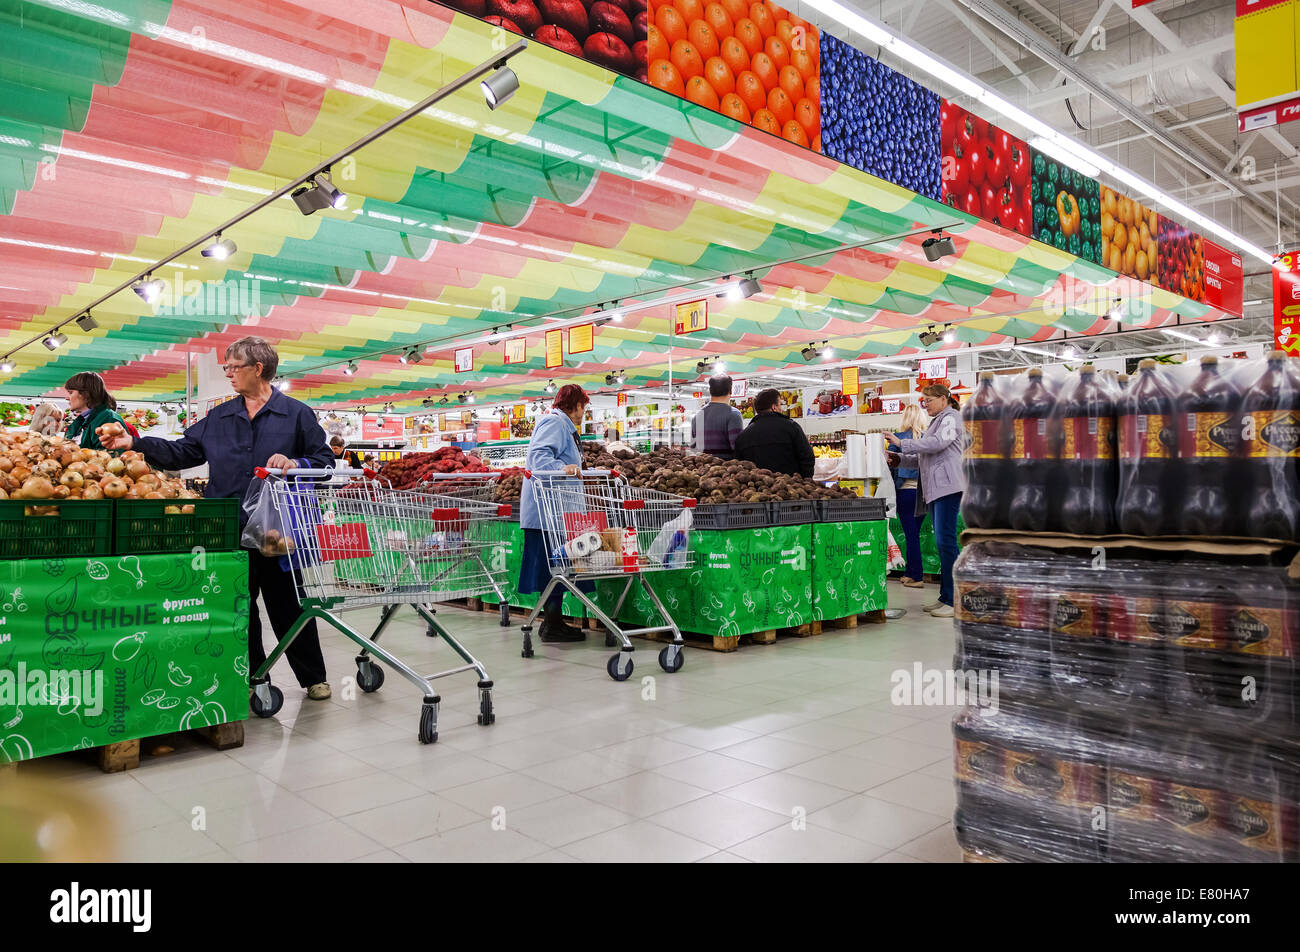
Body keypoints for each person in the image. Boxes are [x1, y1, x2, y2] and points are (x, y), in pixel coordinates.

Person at [100, 336, 337, 701]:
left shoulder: (297, 415)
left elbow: (324, 463)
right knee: (239, 605)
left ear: (257, 369)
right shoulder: (221, 416)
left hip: (277, 529)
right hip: (228, 526)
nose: (227, 373)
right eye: (225, 367)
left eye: (233, 366)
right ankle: (254, 676)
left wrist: (296, 464)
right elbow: (182, 452)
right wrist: (137, 444)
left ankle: (312, 677)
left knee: (288, 604)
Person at [519, 384, 594, 643]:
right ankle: (552, 624)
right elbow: (538, 459)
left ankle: (552, 622)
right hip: (546, 513)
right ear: (573, 404)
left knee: (557, 568)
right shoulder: (555, 423)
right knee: (553, 568)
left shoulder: (564, 427)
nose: (584, 412)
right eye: (583, 405)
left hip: (556, 511)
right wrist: (566, 469)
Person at [884, 383, 966, 618]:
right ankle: (945, 597)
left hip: (947, 487)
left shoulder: (951, 418)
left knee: (946, 542)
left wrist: (902, 443)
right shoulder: (937, 421)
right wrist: (899, 459)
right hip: (936, 489)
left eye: (928, 400)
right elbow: (924, 456)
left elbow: (936, 444)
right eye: (923, 401)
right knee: (943, 543)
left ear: (943, 399)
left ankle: (954, 600)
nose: (925, 405)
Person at [734, 388, 815, 477]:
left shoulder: (744, 435)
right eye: (780, 404)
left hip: (758, 488)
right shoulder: (791, 427)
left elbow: (739, 466)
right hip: (790, 486)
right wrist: (805, 480)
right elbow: (807, 457)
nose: (781, 408)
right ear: (774, 407)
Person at [893, 400, 929, 589]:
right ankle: (910, 572)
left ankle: (917, 575)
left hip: (906, 493)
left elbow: (889, 464)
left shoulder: (898, 438)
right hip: (924, 494)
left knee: (911, 535)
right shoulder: (926, 439)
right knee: (913, 534)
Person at [62, 373, 129, 450]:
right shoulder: (80, 422)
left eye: (71, 392)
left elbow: (109, 458)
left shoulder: (109, 420)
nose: (67, 398)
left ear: (85, 394)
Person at [690, 375, 743, 459]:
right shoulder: (733, 414)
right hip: (726, 468)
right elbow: (737, 448)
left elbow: (694, 449)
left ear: (710, 391)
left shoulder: (698, 416)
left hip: (702, 468)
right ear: (730, 390)